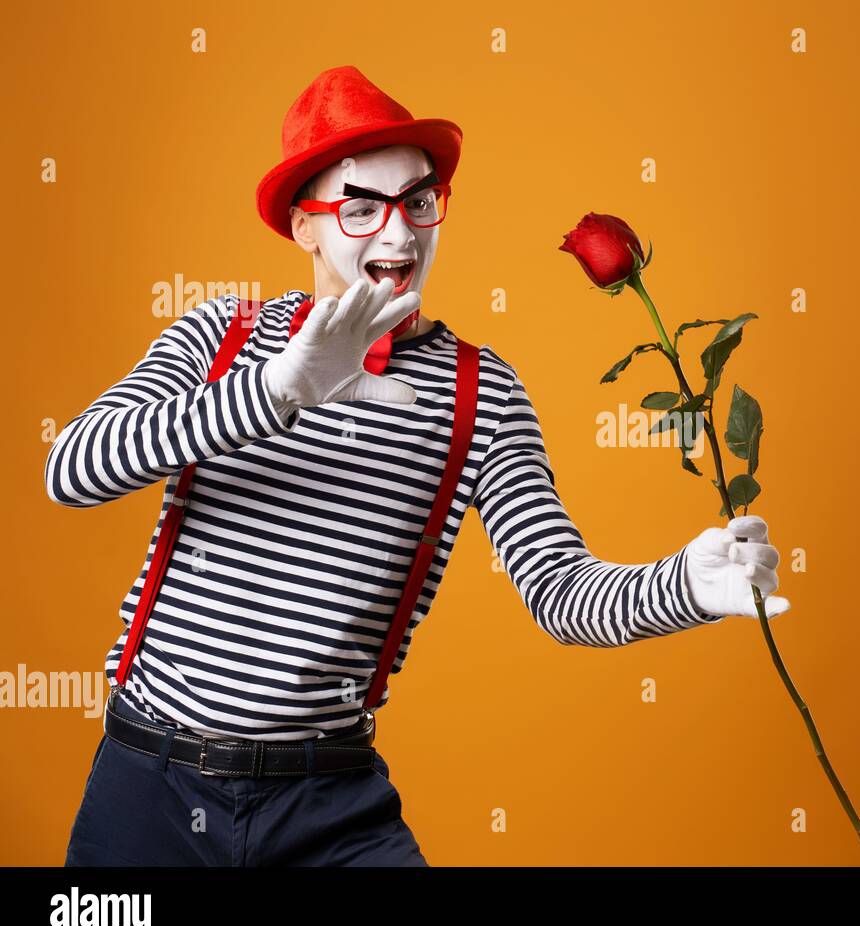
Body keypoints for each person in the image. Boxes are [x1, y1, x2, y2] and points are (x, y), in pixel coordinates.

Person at [47, 65, 789, 866]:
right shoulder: (220, 338)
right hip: (149, 790)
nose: (399, 236)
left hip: (327, 805)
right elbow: (74, 467)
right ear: (305, 226)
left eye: (419, 201)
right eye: (361, 207)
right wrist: (275, 390)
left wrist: (685, 583)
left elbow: (561, 593)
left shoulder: (483, 392)